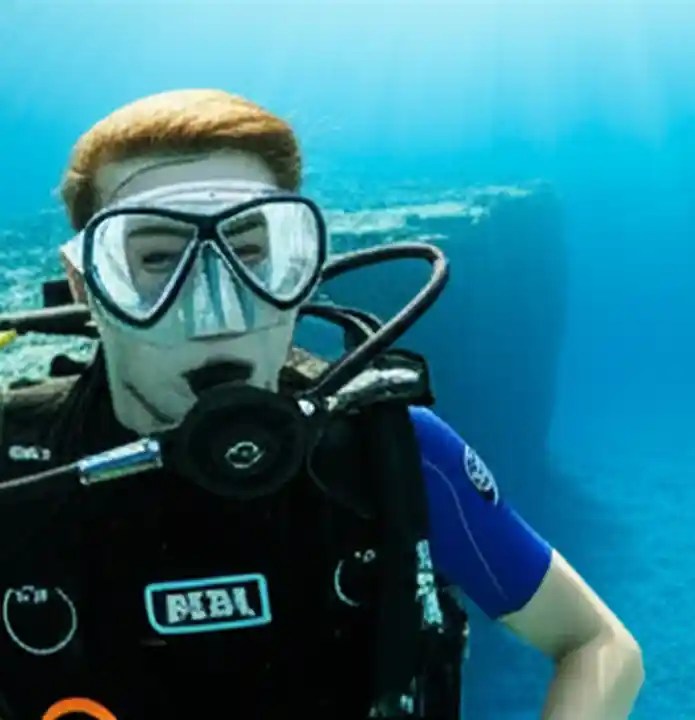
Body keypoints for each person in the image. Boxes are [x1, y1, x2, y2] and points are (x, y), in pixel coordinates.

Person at [0, 89, 643, 719]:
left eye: (251, 252)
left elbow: (597, 644)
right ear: (88, 288)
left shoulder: (393, 453)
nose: (216, 316)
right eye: (157, 259)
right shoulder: (15, 475)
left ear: (299, 268)